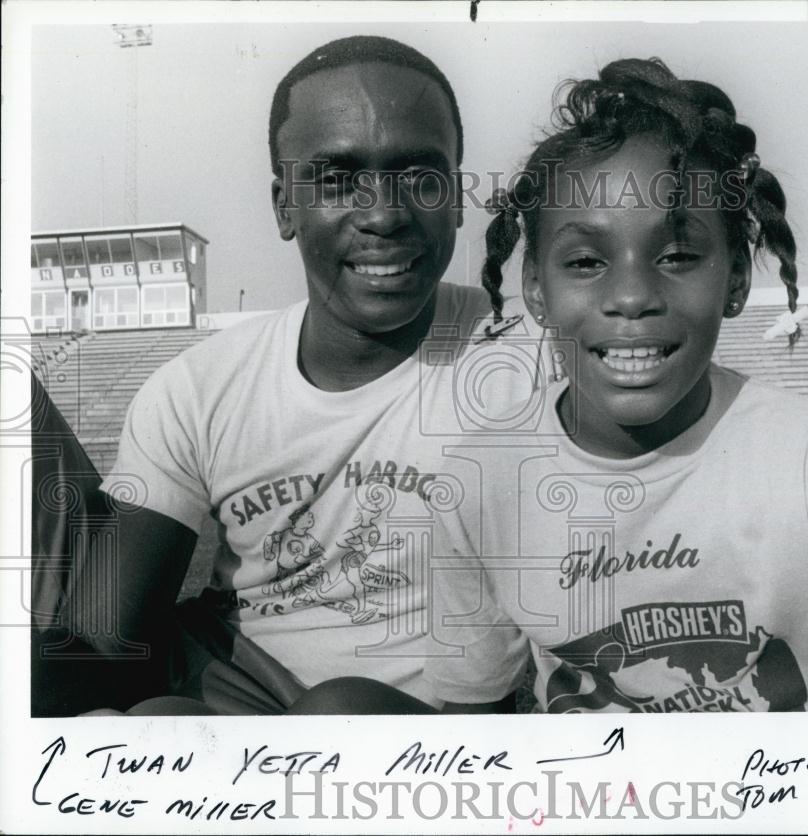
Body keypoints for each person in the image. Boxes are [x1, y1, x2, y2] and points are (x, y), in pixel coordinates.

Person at [66, 36, 527, 715]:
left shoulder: (531, 361)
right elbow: (104, 637)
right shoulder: (200, 389)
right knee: (152, 722)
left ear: (458, 198)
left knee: (340, 714)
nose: (384, 214)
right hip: (241, 688)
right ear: (286, 206)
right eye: (338, 180)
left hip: (426, 738)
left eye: (420, 178)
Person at [425, 57, 808, 713]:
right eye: (586, 261)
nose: (633, 296)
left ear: (733, 280)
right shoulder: (481, 483)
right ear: (536, 286)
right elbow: (477, 715)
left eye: (676, 256)